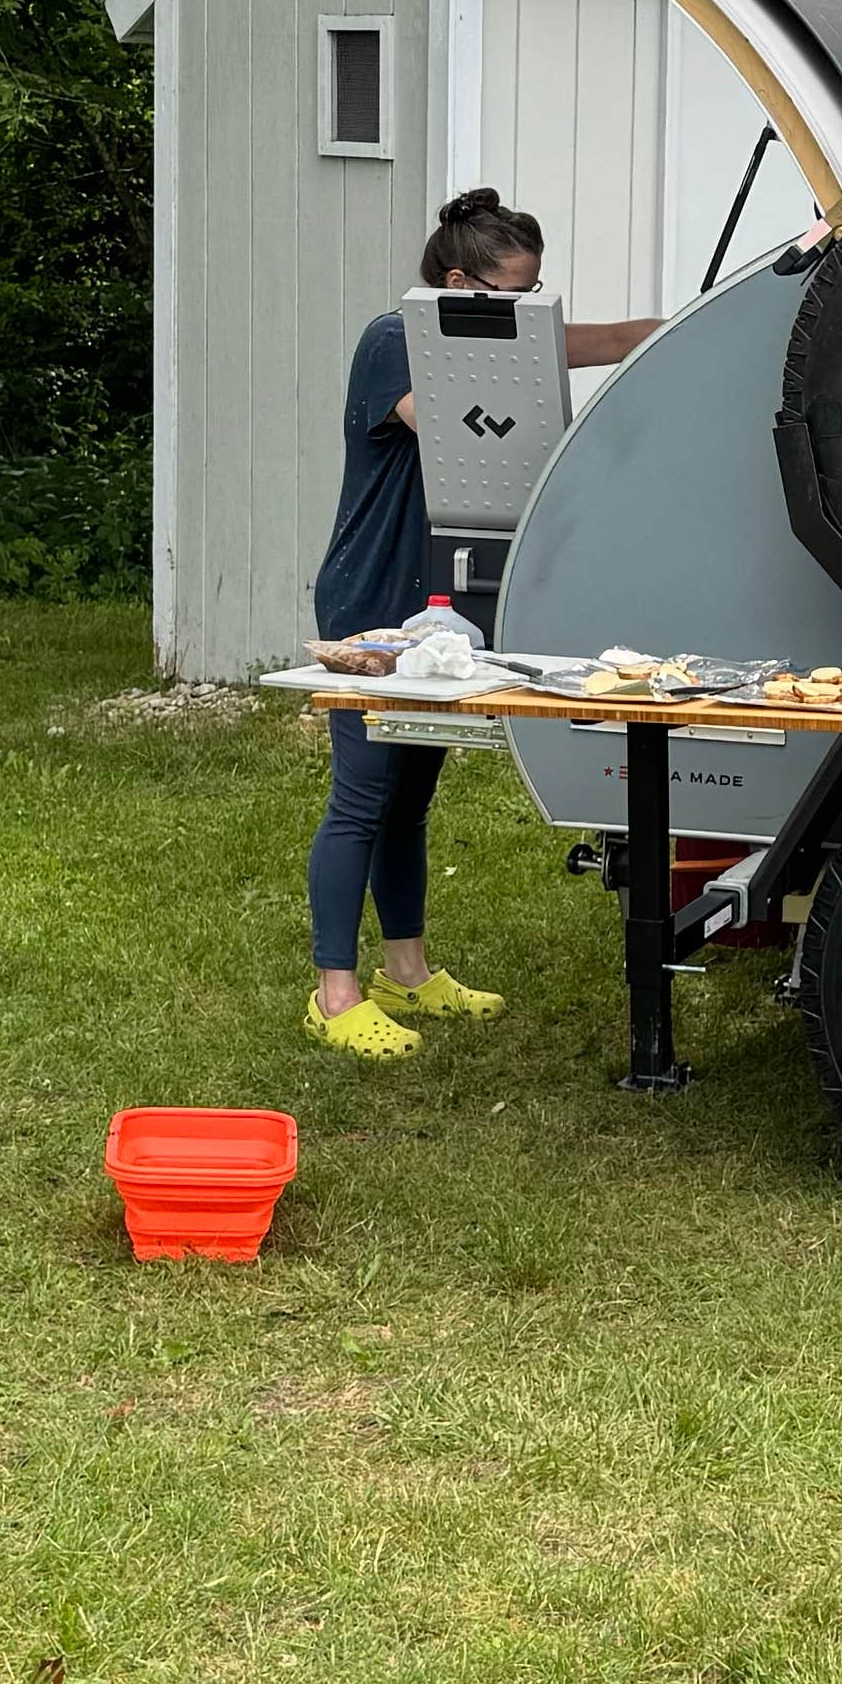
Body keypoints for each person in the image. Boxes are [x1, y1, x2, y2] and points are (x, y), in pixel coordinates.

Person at [307, 185, 659, 1060]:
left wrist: (698, 327)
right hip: (367, 599)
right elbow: (469, 438)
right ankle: (333, 993)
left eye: (534, 303)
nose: (522, 321)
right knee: (361, 798)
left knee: (410, 801)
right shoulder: (394, 344)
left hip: (437, 610)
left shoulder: (493, 339)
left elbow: (613, 341)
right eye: (509, 300)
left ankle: (408, 971)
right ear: (458, 282)